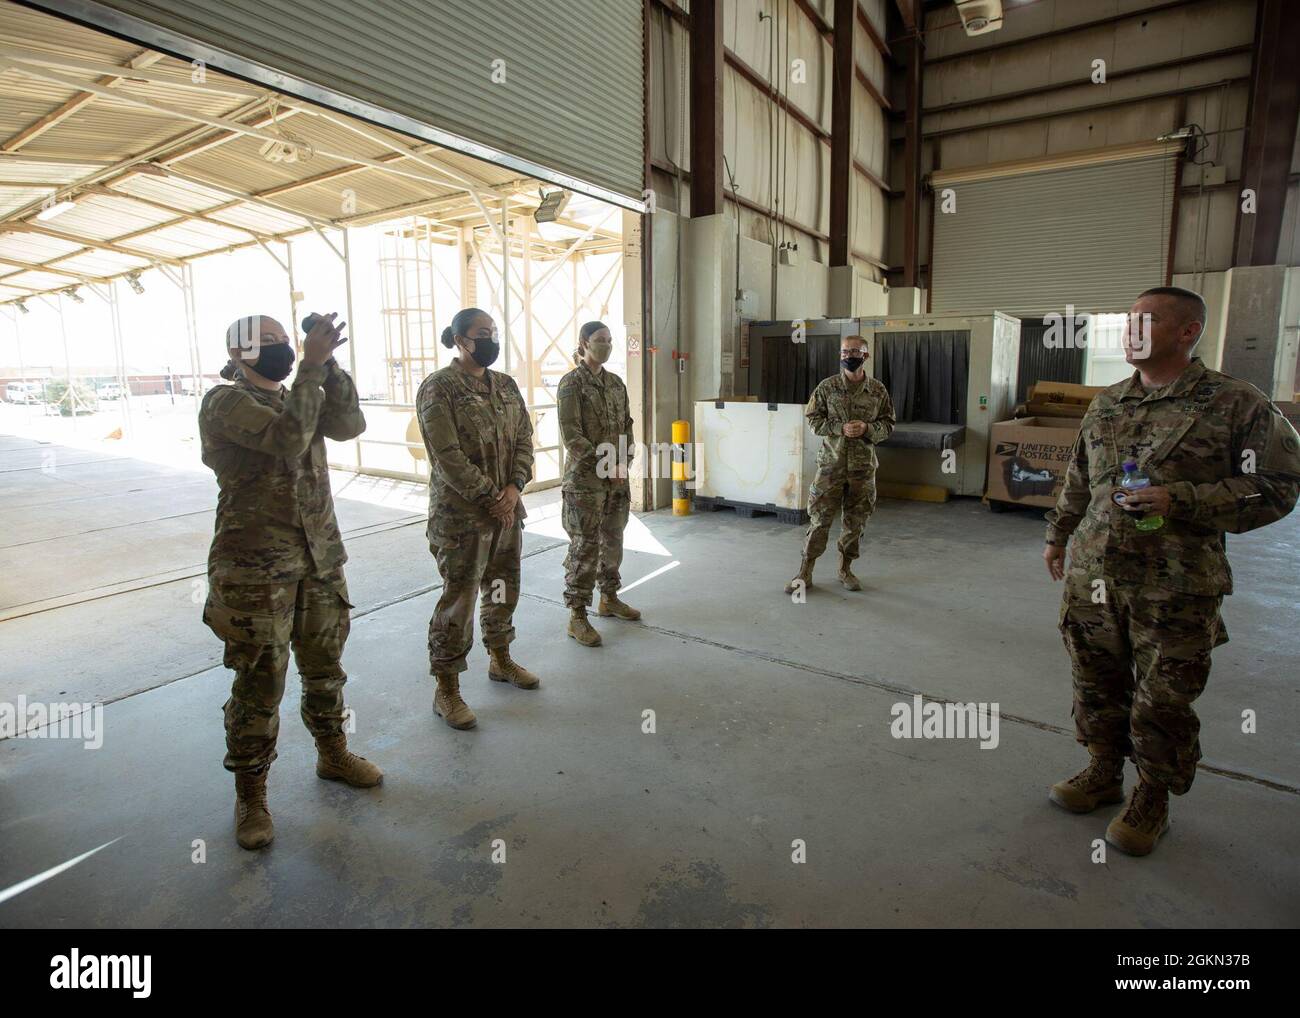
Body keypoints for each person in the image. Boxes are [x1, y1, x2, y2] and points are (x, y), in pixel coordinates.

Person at [1044, 286, 1300, 856]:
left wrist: (1180, 499)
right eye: (1127, 320)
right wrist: (1059, 535)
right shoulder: (1107, 401)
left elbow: (1279, 488)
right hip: (1094, 574)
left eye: (1147, 320)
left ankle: (1153, 796)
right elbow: (1079, 480)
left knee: (1163, 698)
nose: (1130, 330)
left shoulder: (1236, 402)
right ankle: (1103, 771)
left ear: (1188, 332)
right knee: (1095, 682)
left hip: (1176, 584)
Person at [200, 312, 382, 852]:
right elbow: (287, 439)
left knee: (325, 669)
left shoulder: (296, 391)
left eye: (288, 341)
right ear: (238, 354)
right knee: (260, 682)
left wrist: (331, 367)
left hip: (319, 557)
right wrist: (311, 367)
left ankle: (333, 754)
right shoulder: (225, 401)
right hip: (256, 567)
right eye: (272, 343)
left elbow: (350, 425)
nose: (284, 349)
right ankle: (251, 794)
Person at [416, 307, 539, 730]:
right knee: (460, 600)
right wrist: (492, 497)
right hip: (462, 520)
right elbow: (446, 457)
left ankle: (500, 659)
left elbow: (525, 437)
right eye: (481, 333)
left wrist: (515, 487)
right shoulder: (439, 388)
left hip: (505, 514)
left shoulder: (505, 386)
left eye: (493, 332)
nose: (489, 339)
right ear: (459, 339)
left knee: (504, 587)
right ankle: (446, 688)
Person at [785, 335, 896, 594]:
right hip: (830, 467)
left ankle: (845, 569)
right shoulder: (827, 387)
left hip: (863, 469)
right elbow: (813, 419)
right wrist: (839, 428)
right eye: (845, 351)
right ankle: (805, 571)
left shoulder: (878, 390)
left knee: (855, 522)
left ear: (865, 355)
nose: (849, 355)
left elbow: (889, 424)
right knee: (819, 520)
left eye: (855, 351)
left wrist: (868, 428)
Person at [556, 321, 640, 646]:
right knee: (584, 546)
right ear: (583, 343)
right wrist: (608, 465)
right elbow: (571, 436)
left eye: (609, 340)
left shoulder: (616, 384)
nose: (605, 345)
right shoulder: (571, 384)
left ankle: (609, 597)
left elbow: (628, 428)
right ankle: (577, 616)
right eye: (599, 340)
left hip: (616, 481)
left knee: (613, 539)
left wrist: (624, 463)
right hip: (585, 483)